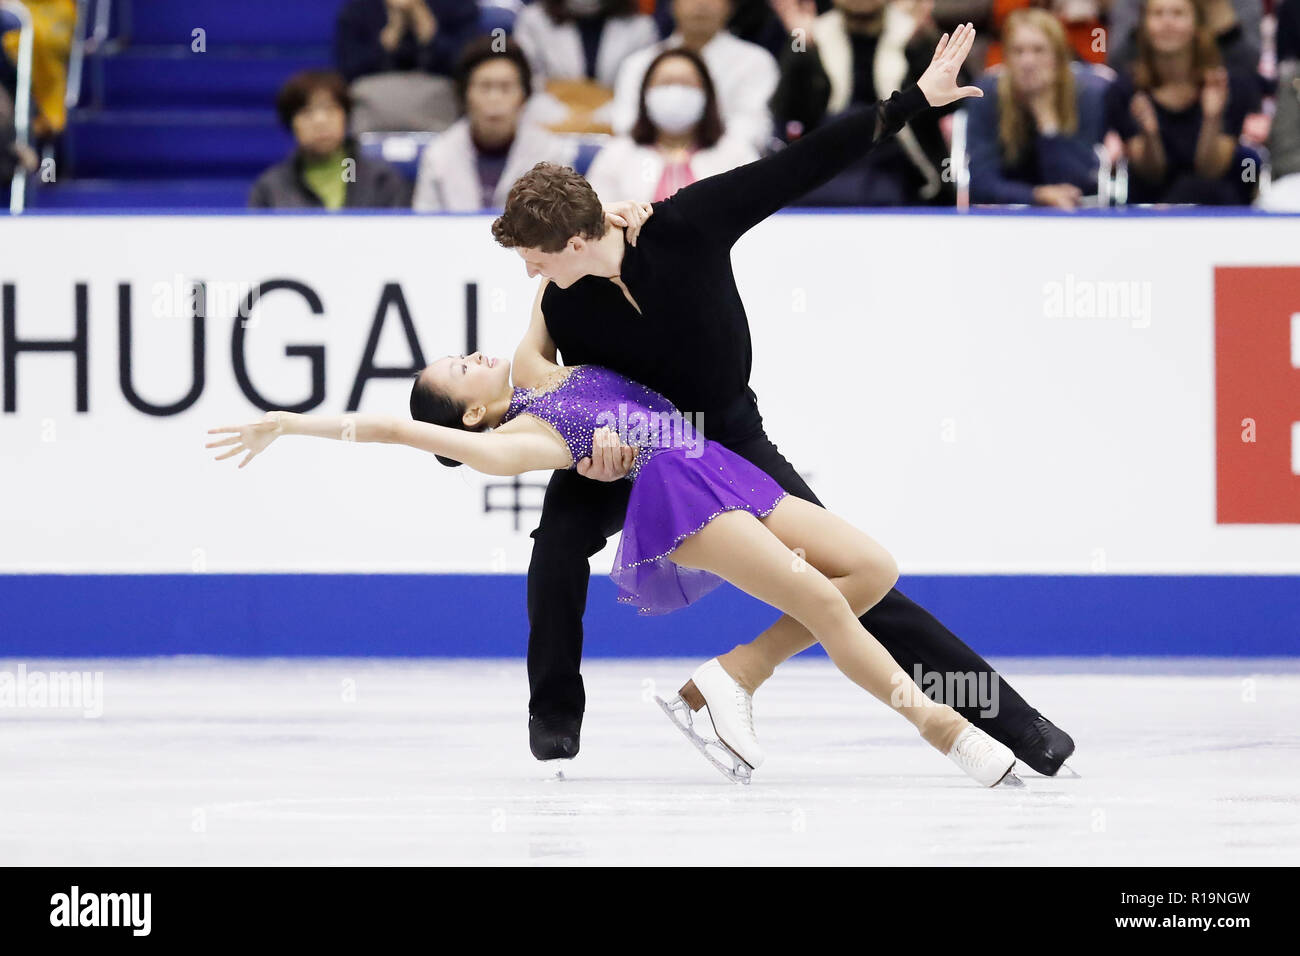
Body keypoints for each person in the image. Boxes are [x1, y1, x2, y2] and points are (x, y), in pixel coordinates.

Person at [494, 24, 1077, 775]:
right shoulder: (560, 299)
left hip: (729, 441)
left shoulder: (686, 224)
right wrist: (595, 434)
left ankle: (1014, 723)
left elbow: (802, 163)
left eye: (535, 256)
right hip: (635, 451)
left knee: (853, 573)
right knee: (556, 547)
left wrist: (913, 102)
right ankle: (555, 713)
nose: (528, 272)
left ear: (575, 241)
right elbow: (528, 371)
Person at [207, 352, 1022, 788]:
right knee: (821, 597)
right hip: (680, 504)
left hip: (717, 463)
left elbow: (543, 267)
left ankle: (733, 675)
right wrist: (293, 422)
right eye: (457, 371)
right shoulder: (524, 438)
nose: (468, 354)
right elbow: (397, 432)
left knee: (871, 568)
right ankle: (944, 731)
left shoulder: (538, 366)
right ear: (475, 412)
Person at [769, 0, 953, 205]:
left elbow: (949, 104)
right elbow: (788, 111)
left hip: (900, 166)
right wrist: (803, 46)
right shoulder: (814, 33)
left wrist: (919, 44)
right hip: (830, 160)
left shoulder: (912, 32)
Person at [1105, 0, 1261, 205]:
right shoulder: (1125, 90)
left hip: (1216, 206)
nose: (1167, 22)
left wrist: (1212, 119)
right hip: (1149, 205)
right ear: (1143, 25)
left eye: (1178, 14)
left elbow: (1211, 171)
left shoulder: (1229, 86)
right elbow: (1150, 174)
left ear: (1197, 25)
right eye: (1158, 14)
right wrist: (1150, 134)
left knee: (1196, 187)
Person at [412, 37, 583, 211]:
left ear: (524, 97)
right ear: (465, 95)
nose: (495, 98)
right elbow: (424, 224)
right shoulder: (438, 153)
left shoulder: (552, 153)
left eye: (506, 87)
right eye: (485, 87)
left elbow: (568, 223)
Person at [966, 7, 1112, 208]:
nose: (1027, 61)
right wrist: (1037, 195)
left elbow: (1079, 182)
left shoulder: (1085, 95)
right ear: (1006, 57)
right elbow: (981, 183)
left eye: (1038, 50)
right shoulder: (987, 95)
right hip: (1005, 216)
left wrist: (1046, 117)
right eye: (1018, 51)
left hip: (1070, 217)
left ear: (1059, 58)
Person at [583, 47, 758, 202]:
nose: (676, 92)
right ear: (646, 95)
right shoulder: (617, 154)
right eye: (665, 83)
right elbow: (596, 218)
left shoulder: (736, 153)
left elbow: (756, 211)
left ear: (707, 94)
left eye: (687, 83)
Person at [610, 0, 781, 153]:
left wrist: (697, 156)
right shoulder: (639, 63)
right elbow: (625, 124)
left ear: (730, 6)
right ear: (672, 4)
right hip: (647, 169)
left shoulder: (755, 61)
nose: (701, 4)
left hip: (727, 169)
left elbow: (754, 129)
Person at [249, 70, 412, 210]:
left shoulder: (380, 181)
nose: (320, 121)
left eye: (330, 109)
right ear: (291, 123)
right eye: (307, 112)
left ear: (346, 117)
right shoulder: (270, 188)